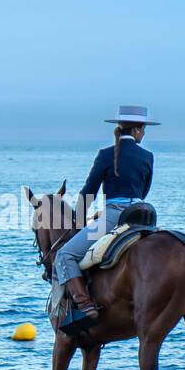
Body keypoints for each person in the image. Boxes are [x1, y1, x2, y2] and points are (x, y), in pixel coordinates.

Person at [52, 104, 159, 334]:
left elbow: (88, 193)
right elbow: (144, 190)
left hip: (113, 216)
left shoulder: (105, 155)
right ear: (139, 130)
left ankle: (84, 305)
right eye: (143, 130)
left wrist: (79, 223)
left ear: (120, 128)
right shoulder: (148, 156)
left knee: (65, 254)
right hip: (143, 214)